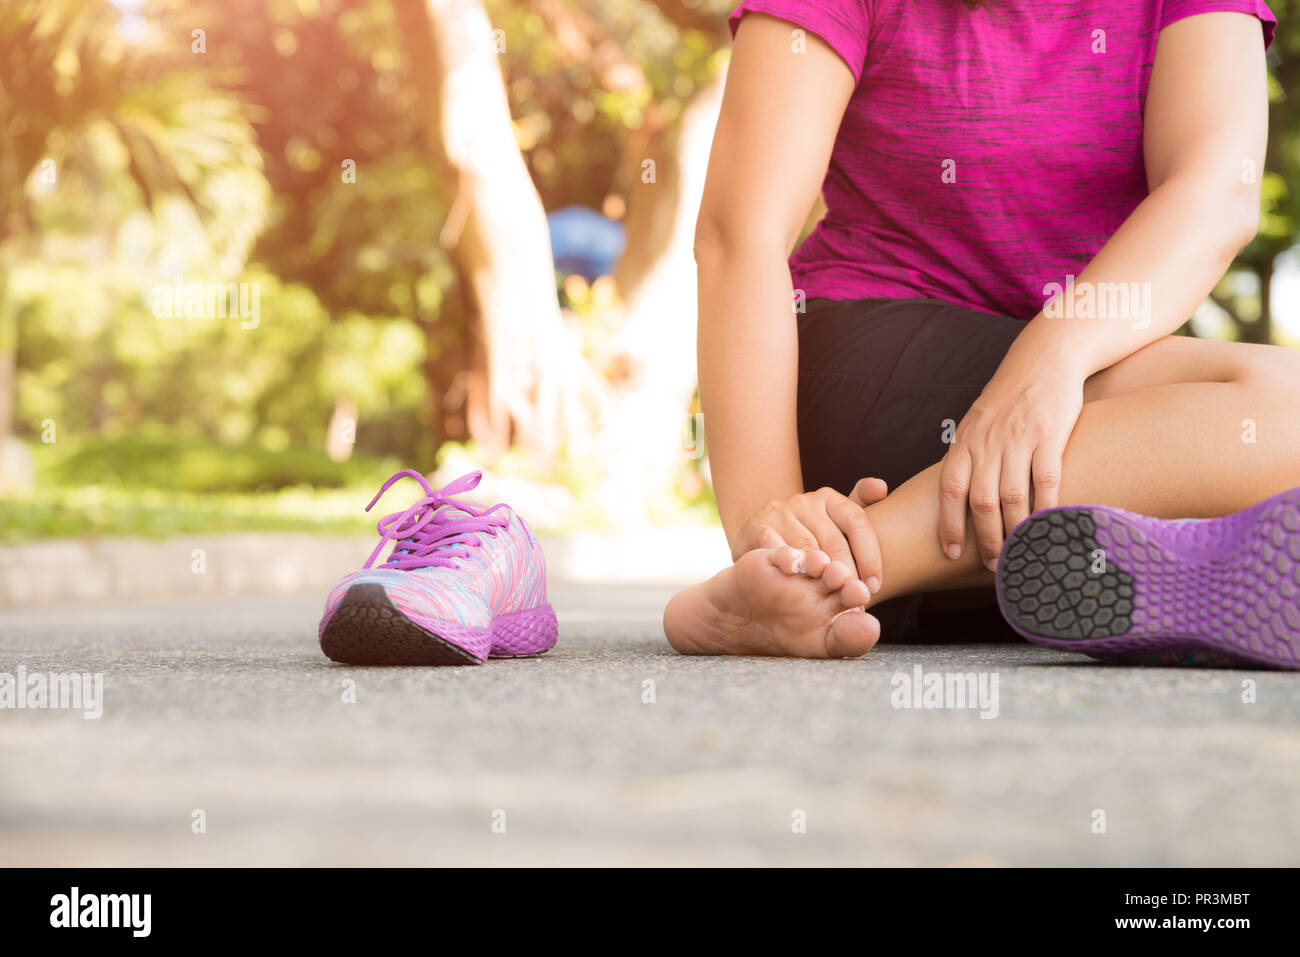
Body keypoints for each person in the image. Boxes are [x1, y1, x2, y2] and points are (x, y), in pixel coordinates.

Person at [663, 0, 1299, 668]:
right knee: (1283, 409)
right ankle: (812, 571)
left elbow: (1218, 191)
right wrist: (771, 520)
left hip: (1068, 385)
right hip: (870, 375)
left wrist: (1048, 362)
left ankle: (851, 579)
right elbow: (742, 233)